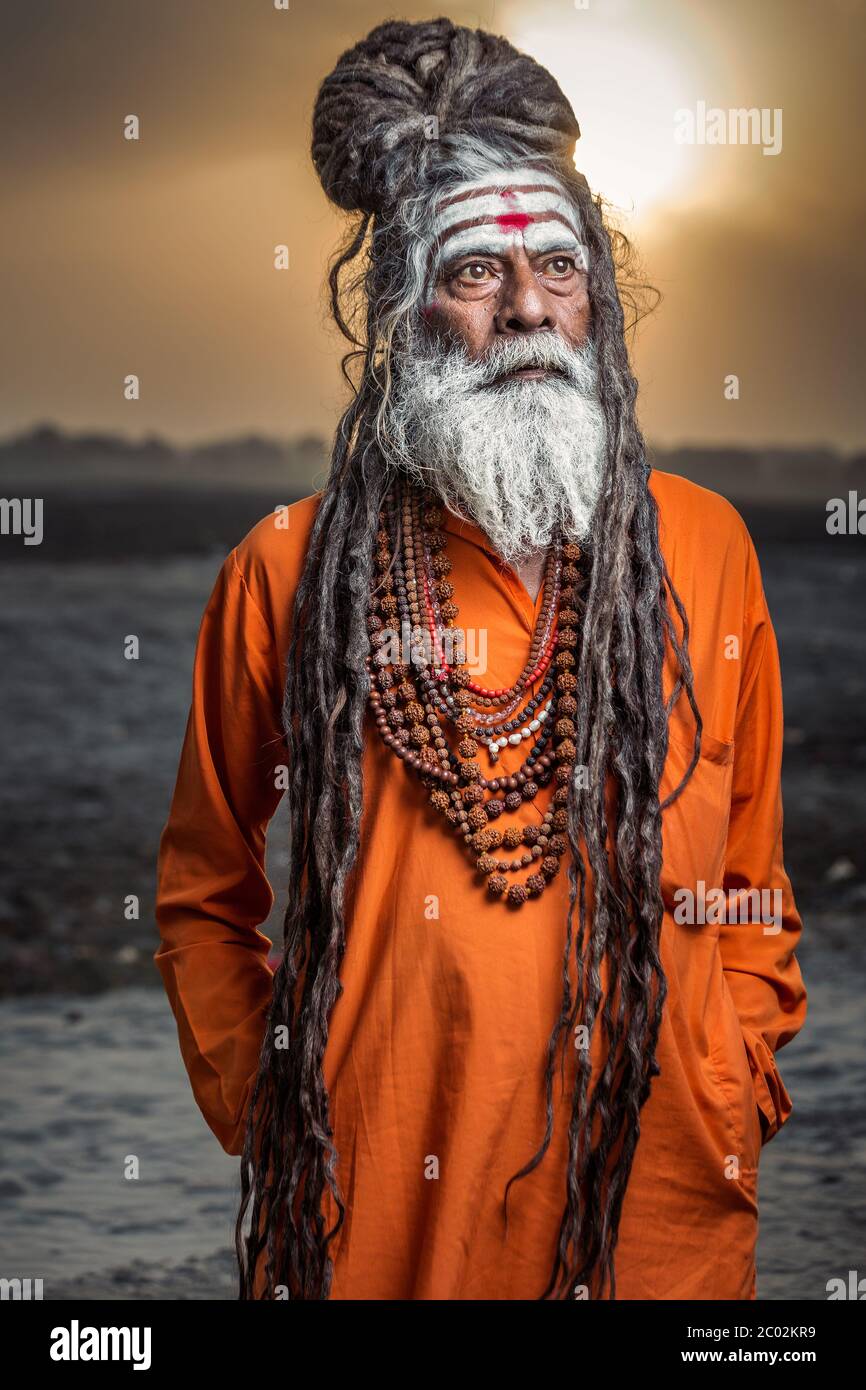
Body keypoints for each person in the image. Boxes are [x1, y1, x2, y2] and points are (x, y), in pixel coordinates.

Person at [154, 17, 807, 1301]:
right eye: (474, 273)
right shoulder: (285, 571)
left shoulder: (705, 546)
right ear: (402, 309)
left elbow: (749, 880)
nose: (525, 307)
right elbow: (200, 893)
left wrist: (737, 1074)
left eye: (558, 266)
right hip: (371, 1203)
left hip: (660, 1199)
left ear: (597, 295)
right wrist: (267, 1093)